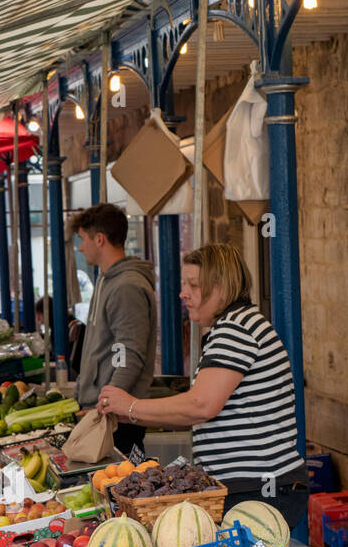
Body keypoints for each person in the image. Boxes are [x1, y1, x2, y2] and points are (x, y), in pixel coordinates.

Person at [97, 242, 309, 527]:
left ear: (221, 287)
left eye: (194, 285)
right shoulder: (236, 326)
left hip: (260, 490)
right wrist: (132, 412)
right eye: (184, 283)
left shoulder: (236, 329)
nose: (183, 293)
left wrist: (132, 406)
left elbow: (201, 405)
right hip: (254, 487)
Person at [72, 203, 157, 454]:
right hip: (106, 412)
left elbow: (128, 353)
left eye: (82, 239)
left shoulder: (126, 286)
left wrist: (106, 405)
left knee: (124, 483)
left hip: (117, 418)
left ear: (99, 239)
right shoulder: (106, 279)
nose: (80, 247)